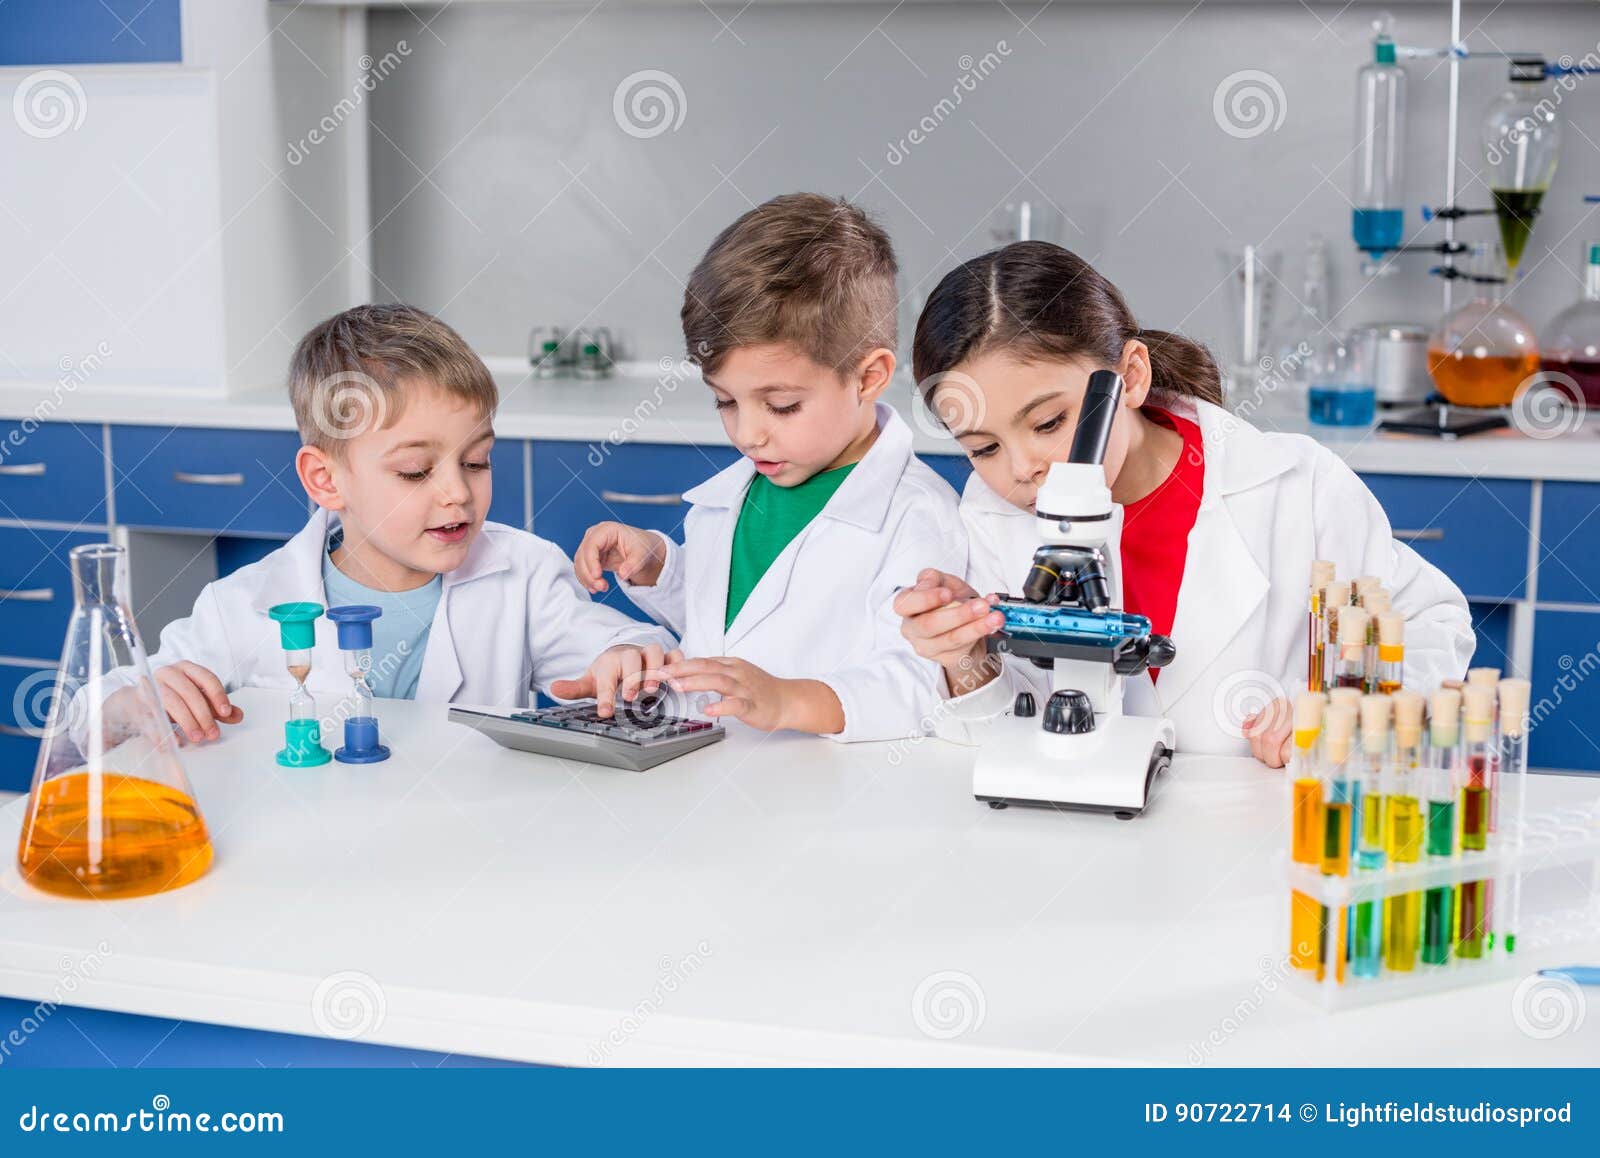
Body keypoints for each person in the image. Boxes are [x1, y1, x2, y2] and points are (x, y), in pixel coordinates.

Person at [893, 242, 1473, 766]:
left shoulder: (1294, 485)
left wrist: (1344, 709)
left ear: (1132, 376)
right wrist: (967, 661)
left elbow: (1432, 624)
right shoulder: (988, 518)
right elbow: (1001, 740)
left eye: (1049, 422)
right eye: (984, 447)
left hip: (1259, 841)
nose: (1022, 469)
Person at [575, 194, 966, 740]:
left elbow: (922, 682)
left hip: (827, 803)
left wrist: (787, 700)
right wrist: (660, 568)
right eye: (725, 402)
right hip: (716, 781)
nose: (747, 433)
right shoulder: (745, 490)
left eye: (781, 405)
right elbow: (732, 627)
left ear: (868, 376)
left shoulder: (920, 516)